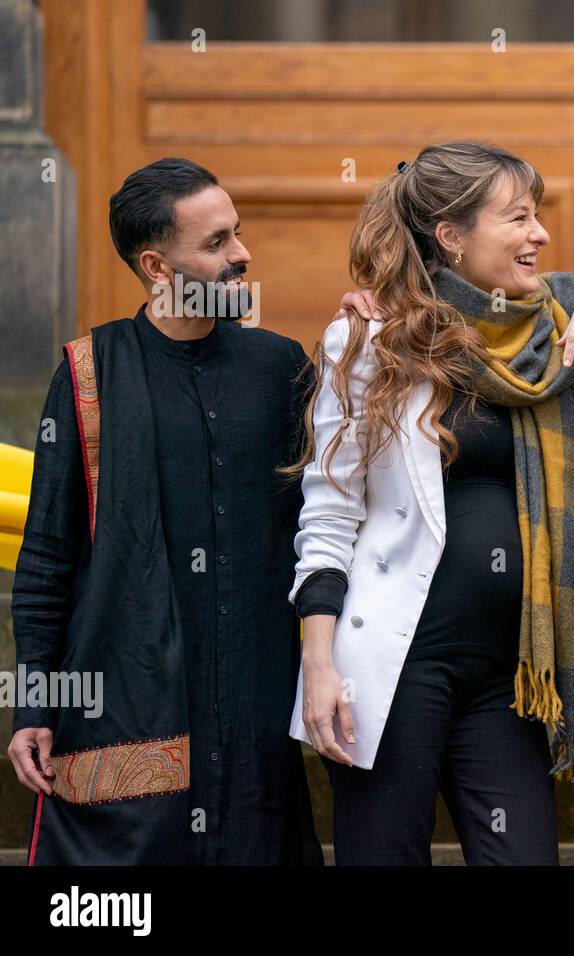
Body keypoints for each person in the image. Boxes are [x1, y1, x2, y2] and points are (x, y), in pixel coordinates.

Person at [288, 141, 574, 865]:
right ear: (451, 236)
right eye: (518, 218)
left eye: (537, 217)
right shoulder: (372, 337)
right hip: (394, 665)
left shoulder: (557, 323)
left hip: (511, 674)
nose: (539, 234)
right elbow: (328, 513)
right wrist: (318, 665)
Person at [8, 157, 322, 865]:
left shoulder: (281, 368)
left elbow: (327, 523)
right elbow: (49, 558)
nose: (242, 256)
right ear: (157, 264)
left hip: (254, 705)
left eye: (237, 233)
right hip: (127, 702)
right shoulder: (91, 373)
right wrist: (34, 702)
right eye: (215, 244)